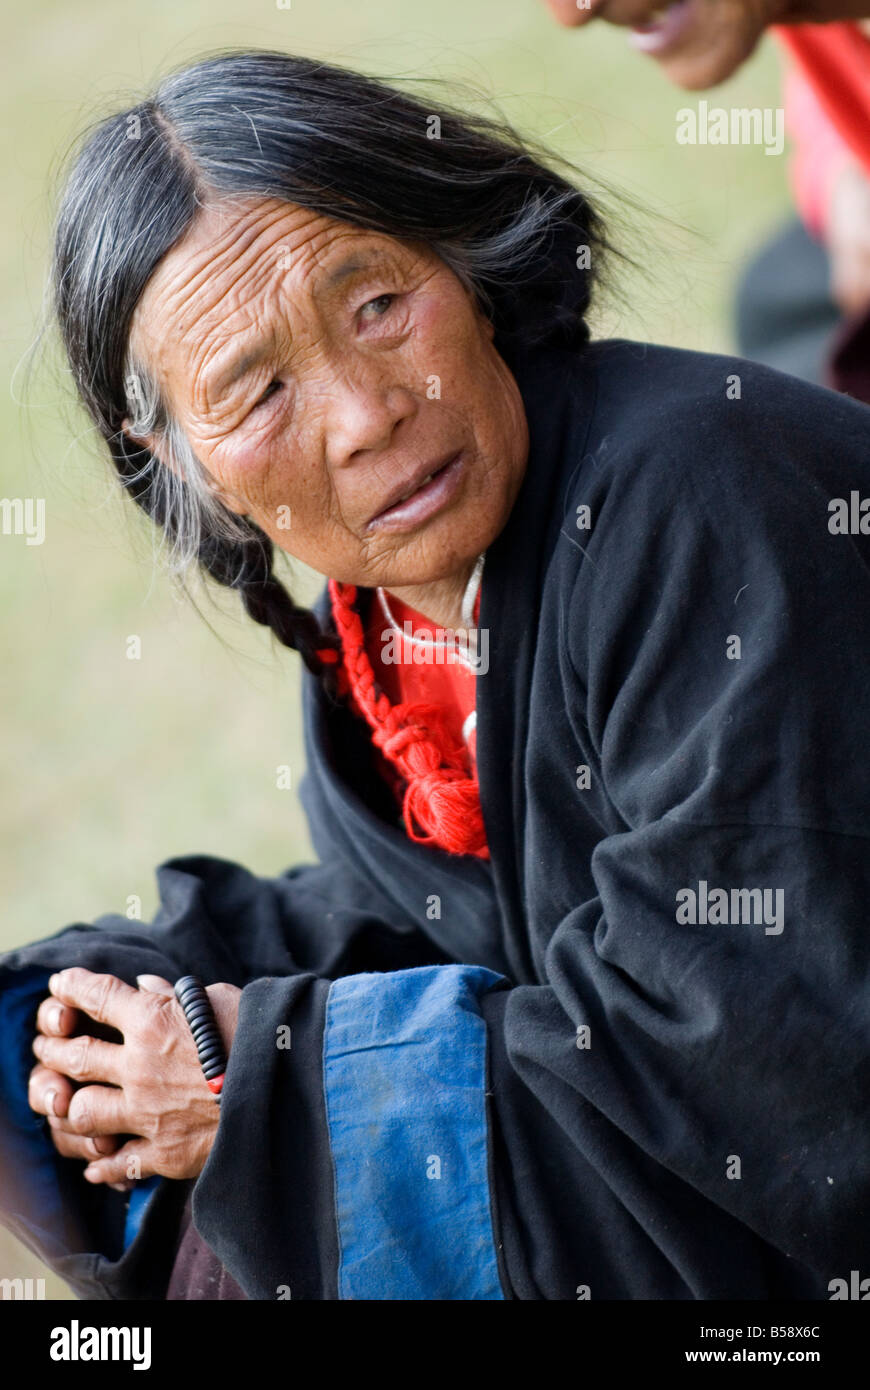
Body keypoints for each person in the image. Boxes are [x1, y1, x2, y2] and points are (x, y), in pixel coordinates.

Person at [2, 48, 870, 1301]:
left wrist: (271, 1095)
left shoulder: (704, 506)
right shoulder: (384, 636)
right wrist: (90, 1016)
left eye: (375, 304)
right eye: (258, 392)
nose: (364, 414)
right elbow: (423, 924)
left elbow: (760, 1097)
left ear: (462, 259)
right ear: (180, 462)